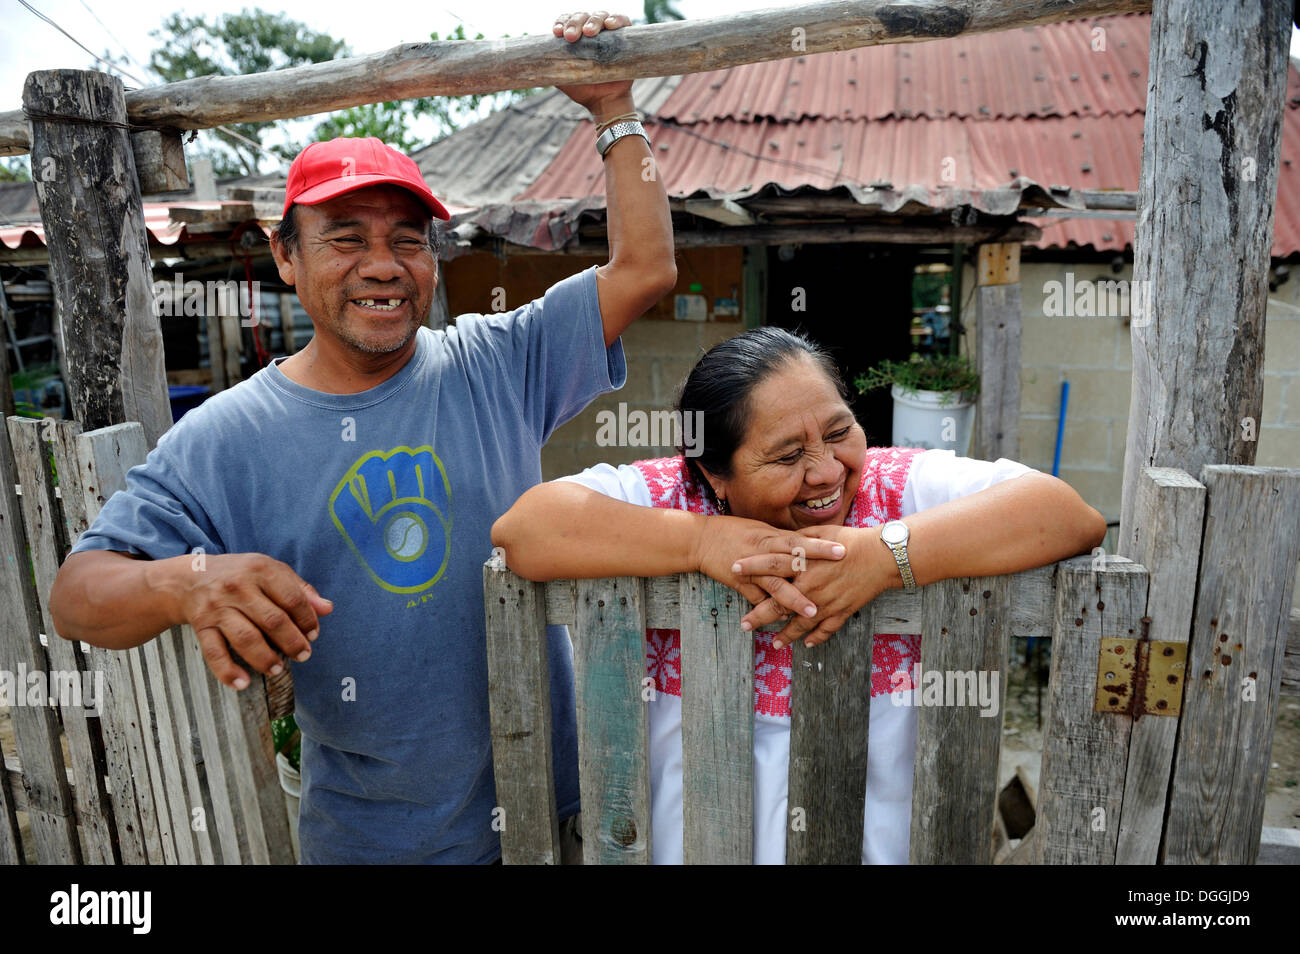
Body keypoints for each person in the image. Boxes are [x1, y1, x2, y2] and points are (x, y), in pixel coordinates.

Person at [48, 11, 677, 864]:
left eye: (406, 241)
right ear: (286, 256)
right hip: (375, 842)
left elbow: (646, 267)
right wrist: (188, 581)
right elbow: (79, 596)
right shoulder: (232, 435)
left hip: (556, 818)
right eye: (344, 239)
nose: (382, 265)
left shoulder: (496, 362)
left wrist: (613, 109)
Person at [491, 327, 1108, 864]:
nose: (827, 470)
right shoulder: (674, 497)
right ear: (714, 475)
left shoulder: (896, 494)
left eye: (839, 431)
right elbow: (524, 532)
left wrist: (885, 556)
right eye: (788, 456)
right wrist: (700, 541)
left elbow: (1066, 515)